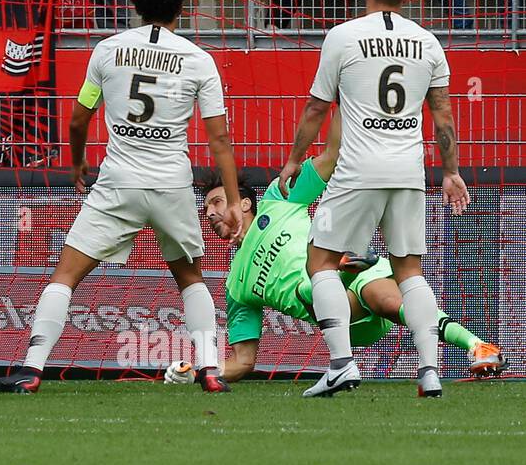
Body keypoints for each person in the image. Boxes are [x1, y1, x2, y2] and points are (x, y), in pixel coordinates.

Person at [0, 0, 246, 395]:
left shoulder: (108, 51)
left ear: (136, 6)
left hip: (118, 181)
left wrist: (77, 163)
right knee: (191, 277)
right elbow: (219, 137)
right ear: (183, 8)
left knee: (65, 276)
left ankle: (31, 369)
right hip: (170, 185)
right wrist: (233, 199)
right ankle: (211, 369)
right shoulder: (199, 61)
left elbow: (79, 116)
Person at [277, 0, 468, 398]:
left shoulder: (342, 37)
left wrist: (293, 160)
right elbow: (443, 119)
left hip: (358, 170)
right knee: (409, 271)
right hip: (407, 172)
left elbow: (316, 108)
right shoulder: (429, 43)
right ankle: (430, 370)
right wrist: (451, 172)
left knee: (320, 261)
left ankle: (342, 363)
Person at [195, 127, 505, 385]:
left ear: (245, 204)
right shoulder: (235, 285)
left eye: (217, 202)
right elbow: (243, 361)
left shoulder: (279, 200)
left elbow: (330, 156)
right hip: (344, 322)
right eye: (206, 209)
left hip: (361, 282)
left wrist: (348, 97)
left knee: (386, 299)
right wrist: (199, 371)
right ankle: (343, 268)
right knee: (313, 288)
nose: (210, 213)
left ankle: (479, 346)